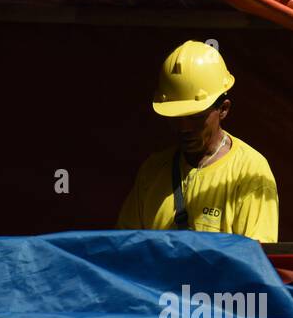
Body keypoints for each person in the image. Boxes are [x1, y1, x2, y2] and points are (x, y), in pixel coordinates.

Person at [116, 41, 279, 242]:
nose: (184, 127)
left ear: (223, 109)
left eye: (195, 117)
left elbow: (255, 260)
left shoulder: (250, 173)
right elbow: (125, 249)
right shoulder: (153, 171)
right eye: (176, 117)